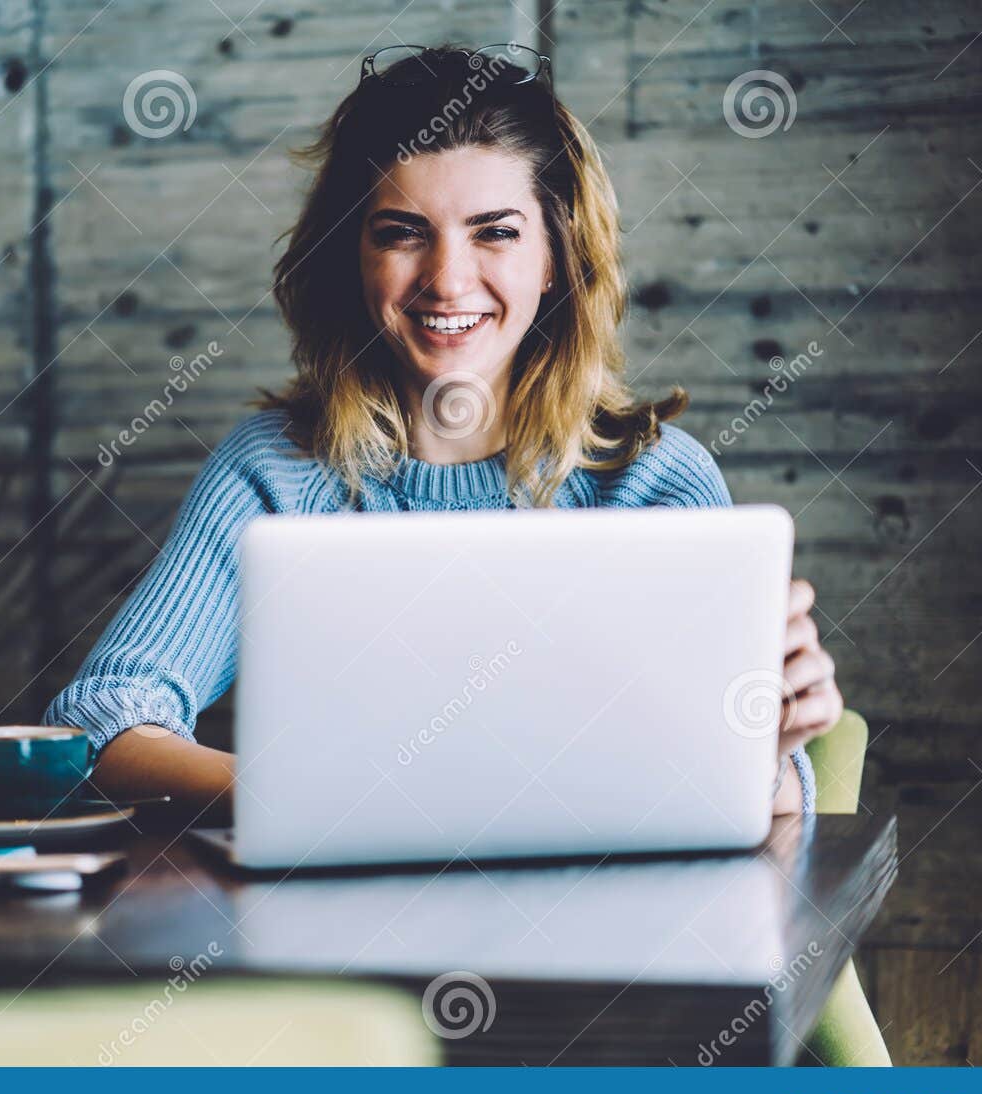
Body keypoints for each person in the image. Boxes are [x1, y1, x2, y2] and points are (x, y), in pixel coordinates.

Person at [44, 44, 842, 816]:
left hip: (594, 927)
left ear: (556, 258)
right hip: (345, 931)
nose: (448, 280)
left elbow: (760, 787)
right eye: (401, 232)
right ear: (353, 257)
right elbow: (98, 721)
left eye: (495, 231)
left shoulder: (653, 479)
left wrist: (764, 745)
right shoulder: (274, 473)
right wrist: (313, 800)